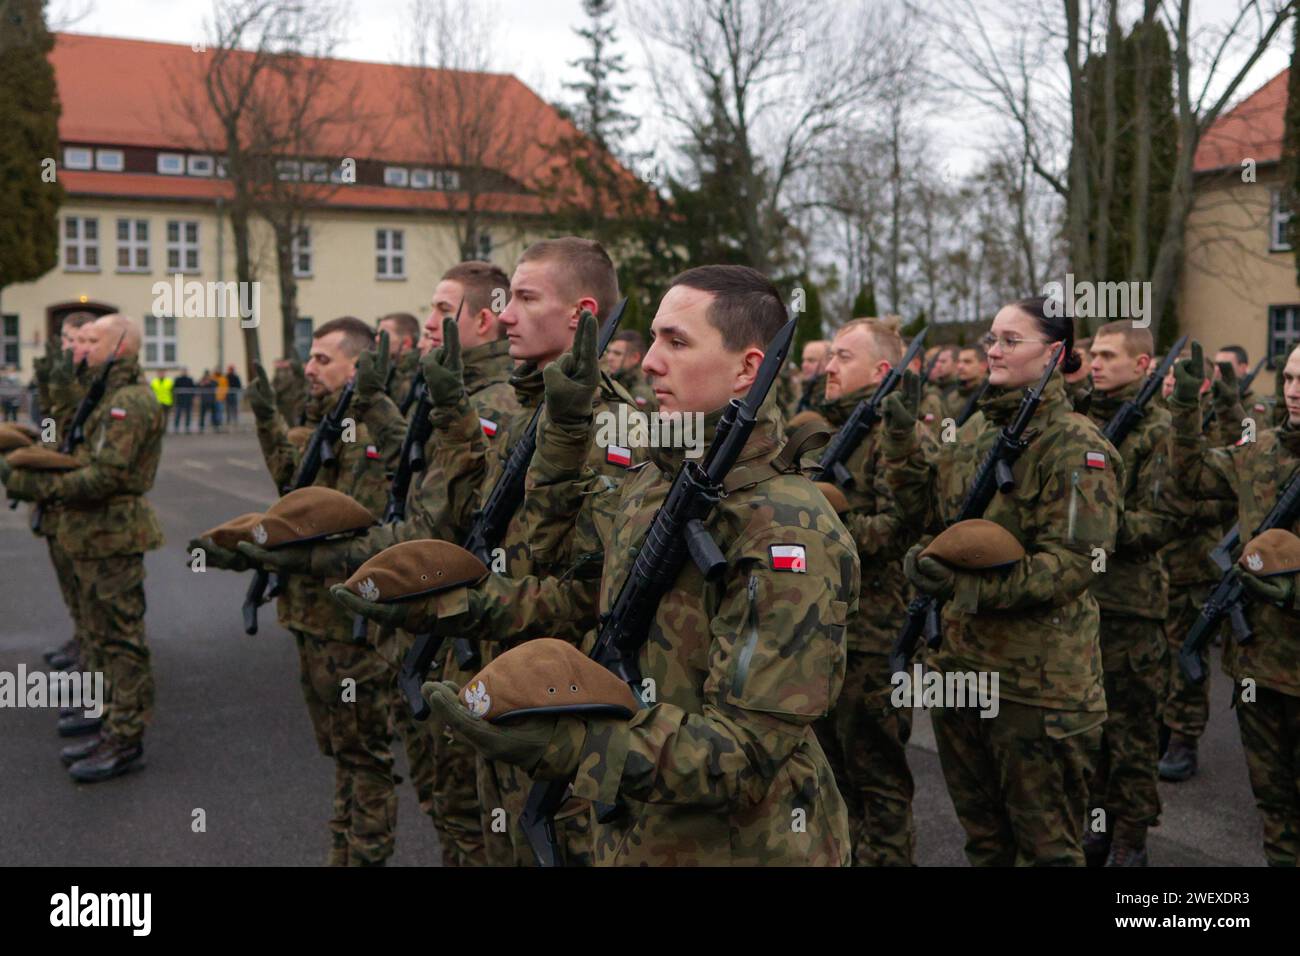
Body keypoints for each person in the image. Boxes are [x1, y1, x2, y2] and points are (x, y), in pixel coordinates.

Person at [349, 264, 861, 866]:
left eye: (676, 341)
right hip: (633, 833)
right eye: (652, 339)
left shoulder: (786, 528)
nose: (647, 361)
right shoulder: (655, 478)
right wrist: (451, 604)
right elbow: (572, 585)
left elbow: (746, 753)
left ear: (748, 369)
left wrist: (577, 745)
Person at [879, 296, 1121, 866]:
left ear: (1055, 353)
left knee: (1048, 852)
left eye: (1011, 340)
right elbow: (928, 515)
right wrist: (898, 436)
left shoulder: (1077, 447)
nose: (993, 349)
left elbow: (1076, 563)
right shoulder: (977, 433)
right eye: (991, 338)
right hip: (960, 668)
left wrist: (964, 589)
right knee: (986, 844)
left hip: (1035, 688)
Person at [229, 317, 401, 865]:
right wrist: (265, 416)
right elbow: (293, 483)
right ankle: (342, 852)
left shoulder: (372, 431)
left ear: (358, 366)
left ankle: (364, 855)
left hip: (351, 626)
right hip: (312, 617)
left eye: (323, 359)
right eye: (310, 357)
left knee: (365, 757)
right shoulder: (327, 422)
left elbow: (355, 522)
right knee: (341, 751)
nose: (308, 368)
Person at [1, 313, 166, 781]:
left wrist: (37, 485)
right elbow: (72, 446)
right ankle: (112, 720)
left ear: (119, 348)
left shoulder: (130, 402)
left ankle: (126, 736)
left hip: (113, 534)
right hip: (90, 533)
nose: (79, 348)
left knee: (121, 640)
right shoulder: (102, 394)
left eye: (91, 341)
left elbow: (108, 474)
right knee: (98, 636)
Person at [1166, 341, 1300, 867]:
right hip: (1259, 671)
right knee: (1276, 811)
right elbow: (1190, 477)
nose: (1294, 390)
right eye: (1289, 377)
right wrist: (1183, 405)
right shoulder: (1261, 449)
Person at [811, 315, 923, 865]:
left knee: (879, 783)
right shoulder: (824, 430)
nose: (829, 367)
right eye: (829, 355)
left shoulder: (896, 439)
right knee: (830, 776)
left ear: (881, 371)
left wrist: (819, 527)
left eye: (843, 358)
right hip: (823, 631)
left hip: (874, 636)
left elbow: (901, 527)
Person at [1082, 320, 1180, 866]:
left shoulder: (1157, 430)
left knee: (1132, 735)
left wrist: (1094, 522)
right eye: (1093, 353)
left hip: (1132, 606)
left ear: (1143, 366)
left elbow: (1158, 523)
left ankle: (1130, 841)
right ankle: (1097, 826)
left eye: (1109, 356)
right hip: (1082, 600)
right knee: (1090, 728)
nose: (1096, 363)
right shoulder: (1081, 420)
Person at [1157, 344, 1235, 783]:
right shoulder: (1157, 423)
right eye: (1168, 375)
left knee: (1186, 654)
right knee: (1152, 658)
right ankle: (1159, 729)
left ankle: (1184, 737)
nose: (1171, 381)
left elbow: (1218, 497)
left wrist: (1175, 507)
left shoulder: (1216, 428)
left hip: (1193, 565)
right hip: (1154, 564)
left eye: (1179, 375)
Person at [376, 312, 422, 407]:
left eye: (383, 335)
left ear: (406, 343)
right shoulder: (391, 370)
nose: (376, 339)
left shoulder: (416, 378)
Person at [603, 330, 656, 410]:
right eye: (608, 352)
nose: (610, 358)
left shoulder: (641, 395)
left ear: (635, 358)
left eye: (617, 353)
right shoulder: (612, 383)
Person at [172, 367, 195, 433]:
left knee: (188, 415)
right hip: (180, 400)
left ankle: (187, 427)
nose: (184, 372)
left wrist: (192, 397)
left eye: (185, 371)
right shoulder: (178, 379)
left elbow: (193, 389)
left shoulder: (190, 380)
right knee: (178, 414)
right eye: (183, 371)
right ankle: (176, 427)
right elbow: (174, 388)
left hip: (188, 400)